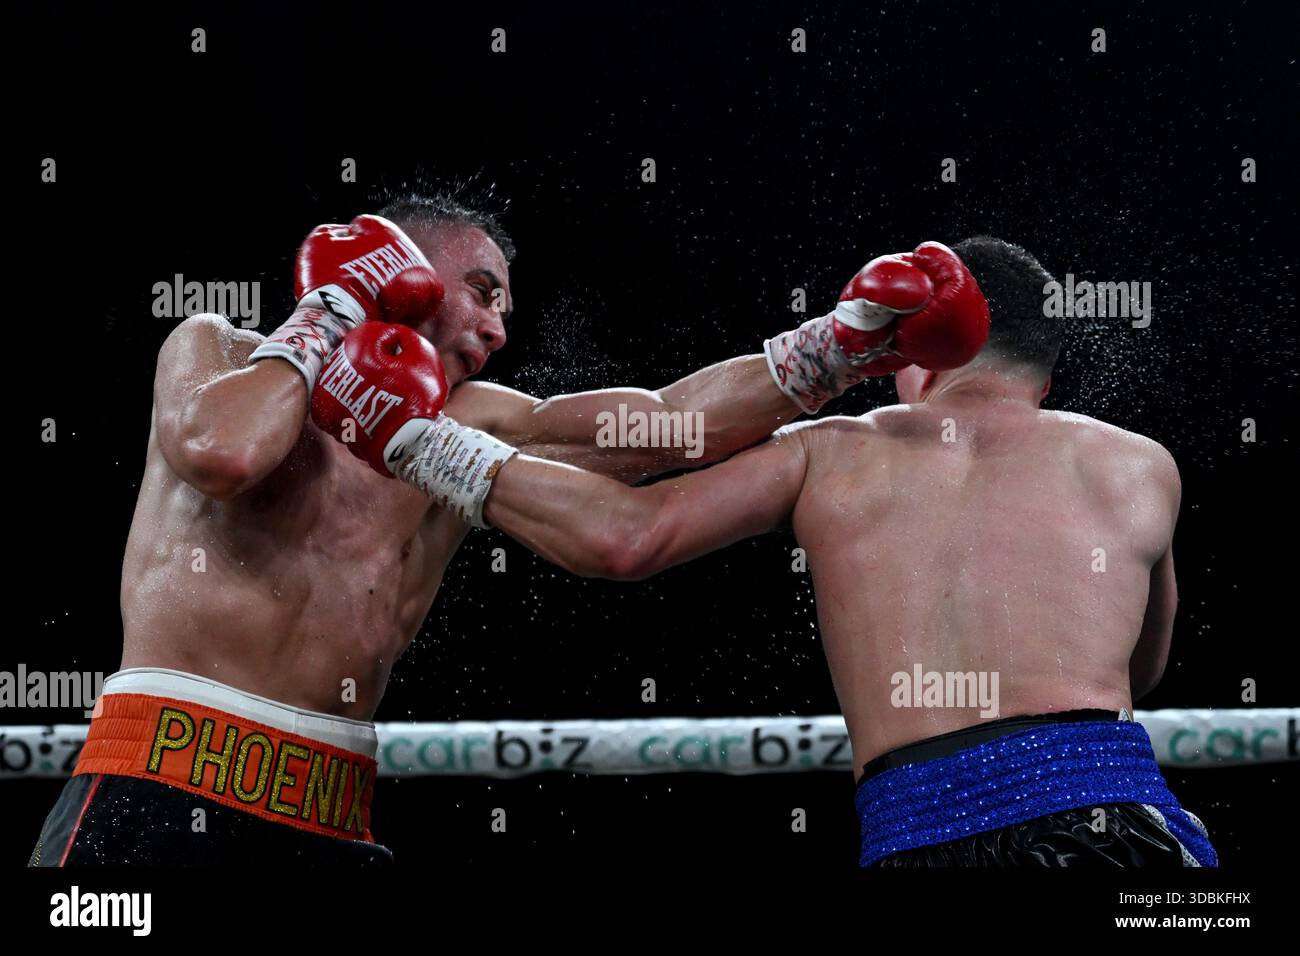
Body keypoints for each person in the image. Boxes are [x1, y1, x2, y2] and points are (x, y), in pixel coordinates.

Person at [30, 193, 978, 865]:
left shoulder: (466, 420)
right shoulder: (219, 348)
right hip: (157, 781)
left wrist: (838, 347)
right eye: (484, 290)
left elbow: (663, 428)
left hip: (328, 808)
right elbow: (225, 454)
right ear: (402, 260)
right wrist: (333, 310)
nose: (497, 325)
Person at [411, 236, 1217, 866]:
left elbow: (626, 537)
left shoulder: (829, 451)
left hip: (914, 840)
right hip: (1115, 823)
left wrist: (420, 442)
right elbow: (1142, 672)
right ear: (1041, 378)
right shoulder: (1140, 464)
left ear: (913, 358)